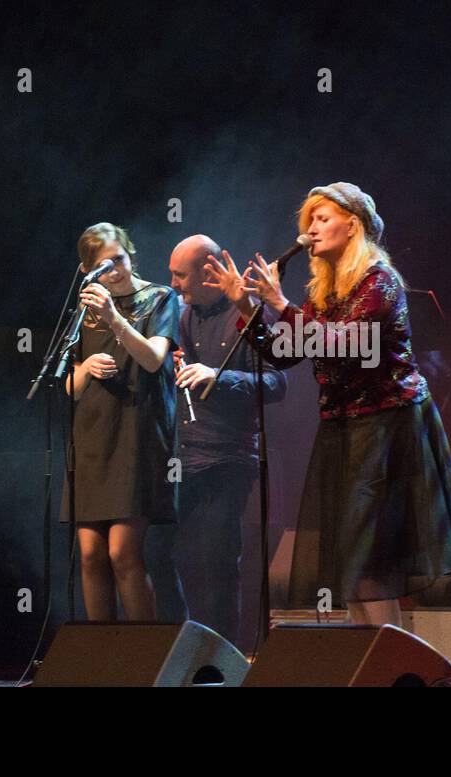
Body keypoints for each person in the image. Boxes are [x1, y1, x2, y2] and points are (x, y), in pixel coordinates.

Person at [205, 182, 451, 626]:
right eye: (309, 220)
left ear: (353, 225)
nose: (311, 228)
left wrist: (278, 303)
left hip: (388, 426)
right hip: (344, 426)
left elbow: (347, 345)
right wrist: (248, 307)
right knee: (352, 561)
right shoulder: (324, 294)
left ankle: (399, 667)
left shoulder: (379, 283)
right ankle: (377, 662)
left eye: (322, 217)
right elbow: (284, 353)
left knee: (368, 560)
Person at [143, 234, 288, 643]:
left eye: (179, 275)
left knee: (218, 564)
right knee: (153, 551)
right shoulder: (184, 316)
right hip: (184, 456)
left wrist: (218, 376)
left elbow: (278, 383)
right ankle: (182, 642)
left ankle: (220, 660)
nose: (172, 284)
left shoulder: (248, 312)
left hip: (228, 460)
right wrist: (177, 369)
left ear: (208, 272)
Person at [63, 222, 179, 622]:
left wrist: (114, 318)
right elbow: (69, 387)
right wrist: (86, 369)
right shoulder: (83, 311)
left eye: (120, 259)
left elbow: (152, 359)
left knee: (122, 552)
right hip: (93, 437)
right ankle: (102, 659)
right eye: (103, 265)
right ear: (86, 271)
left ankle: (143, 659)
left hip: (137, 435)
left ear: (131, 255)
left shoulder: (160, 298)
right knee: (91, 555)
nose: (115, 269)